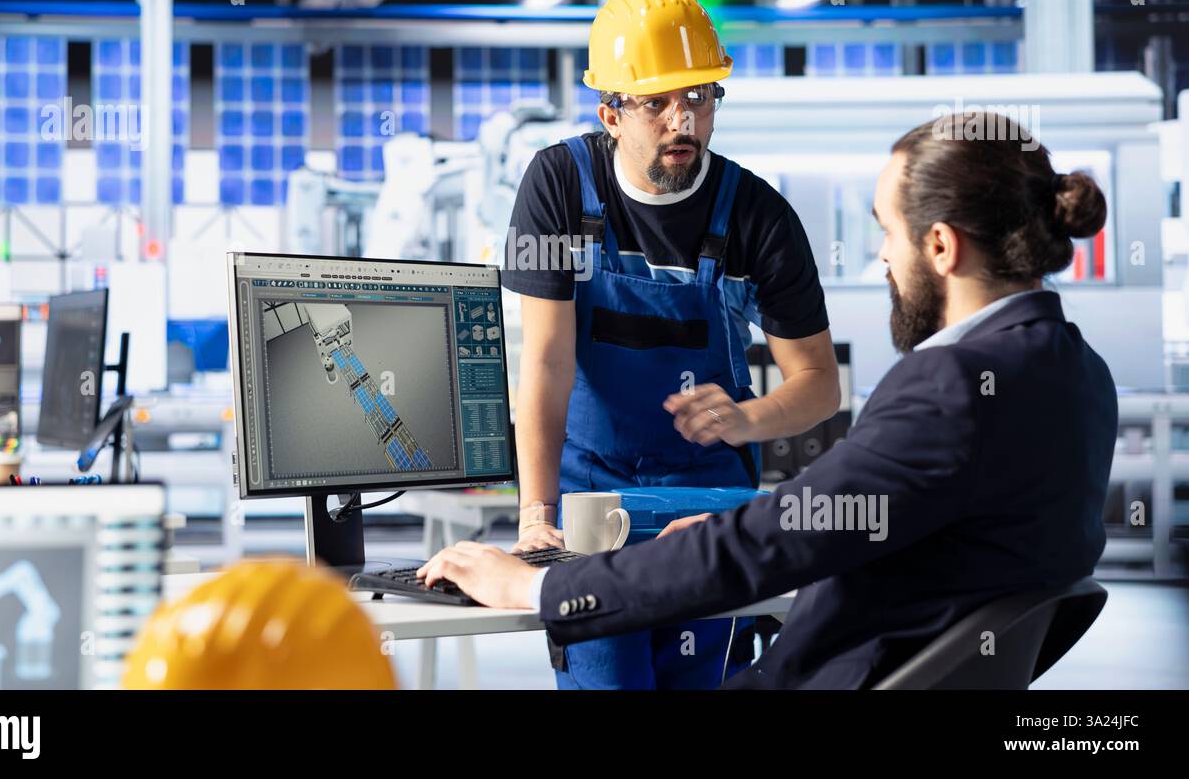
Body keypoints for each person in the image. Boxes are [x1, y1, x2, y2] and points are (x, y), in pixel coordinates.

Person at [421, 111, 1118, 689]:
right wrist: (754, 522)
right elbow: (881, 523)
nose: (881, 258)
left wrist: (532, 590)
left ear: (939, 245)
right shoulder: (1079, 373)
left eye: (886, 232)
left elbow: (766, 548)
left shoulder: (949, 388)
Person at [501, 0, 840, 689]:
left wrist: (748, 418)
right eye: (656, 102)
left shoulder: (758, 216)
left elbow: (818, 386)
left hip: (709, 511)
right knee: (606, 677)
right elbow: (546, 360)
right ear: (611, 113)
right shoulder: (559, 185)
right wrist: (535, 513)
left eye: (700, 97)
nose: (681, 121)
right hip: (591, 508)